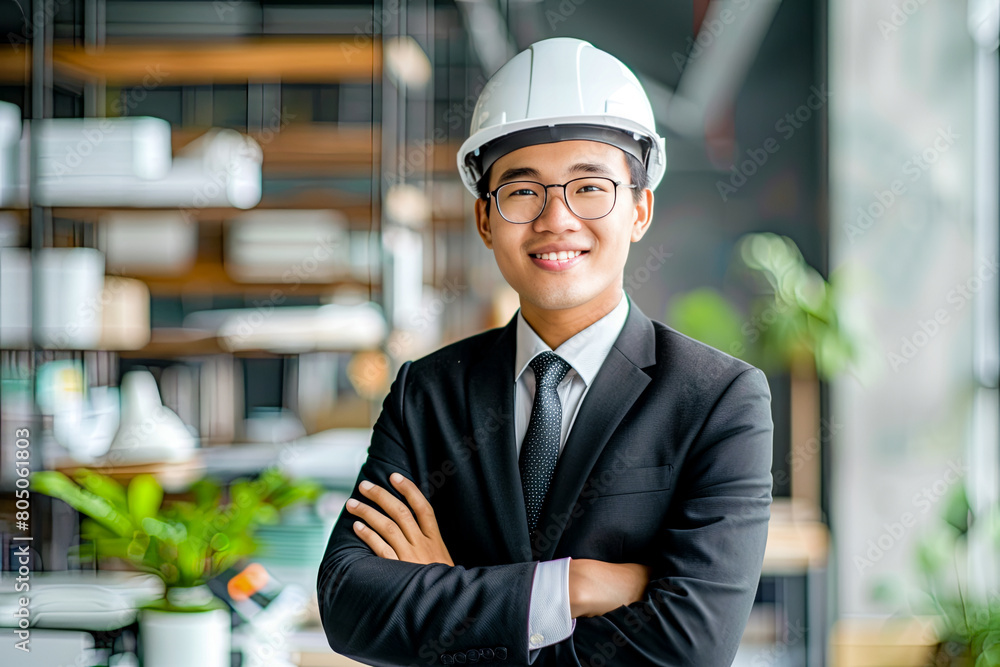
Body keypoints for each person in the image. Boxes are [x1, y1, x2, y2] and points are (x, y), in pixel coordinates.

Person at [317, 37, 773, 667]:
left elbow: (688, 649)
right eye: (523, 192)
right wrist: (573, 586)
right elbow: (348, 605)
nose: (556, 219)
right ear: (485, 220)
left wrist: (454, 604)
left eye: (590, 188)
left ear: (640, 209)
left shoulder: (718, 400)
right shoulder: (428, 392)